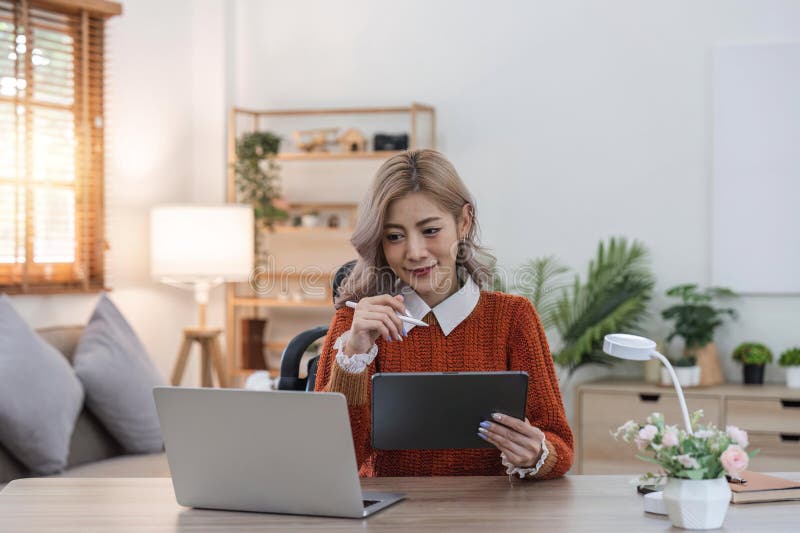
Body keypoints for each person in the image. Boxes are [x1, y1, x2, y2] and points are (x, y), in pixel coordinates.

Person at [314, 149, 573, 480]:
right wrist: (353, 356)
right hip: (391, 517)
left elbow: (560, 448)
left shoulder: (513, 318)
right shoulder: (355, 325)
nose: (415, 252)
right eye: (395, 236)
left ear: (463, 222)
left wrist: (537, 454)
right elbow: (330, 463)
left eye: (431, 230)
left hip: (490, 517)